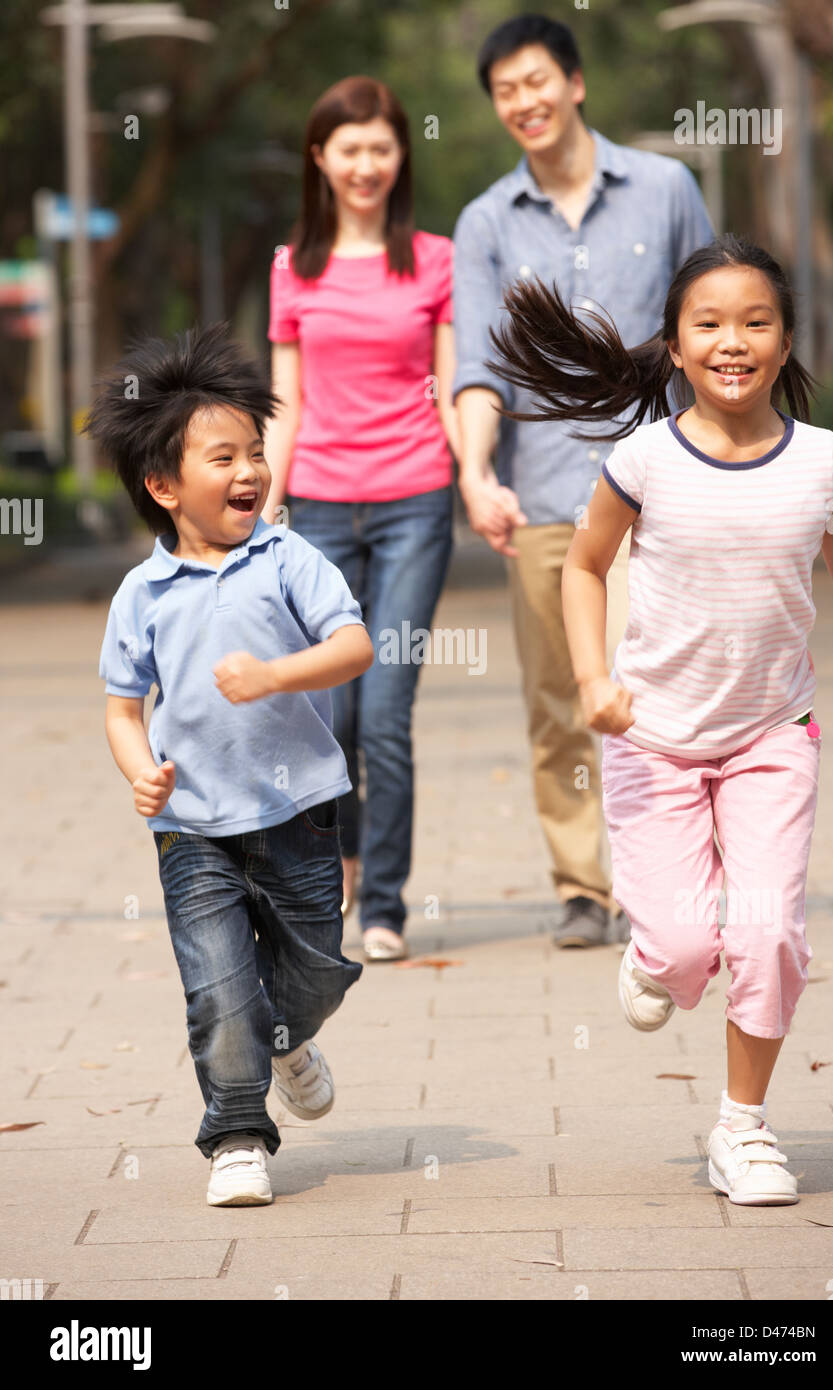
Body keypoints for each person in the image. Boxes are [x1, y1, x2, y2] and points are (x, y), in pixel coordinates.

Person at [491, 233, 833, 1204]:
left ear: (786, 342)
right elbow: (580, 566)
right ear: (672, 343)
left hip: (771, 738)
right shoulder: (641, 460)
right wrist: (589, 680)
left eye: (754, 322)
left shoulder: (828, 466)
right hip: (650, 740)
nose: (730, 340)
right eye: (707, 323)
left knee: (769, 930)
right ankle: (655, 955)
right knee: (687, 948)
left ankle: (741, 1128)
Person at [90, 324, 374, 1207]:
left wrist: (276, 675)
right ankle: (238, 1133)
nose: (250, 470)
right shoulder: (142, 593)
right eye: (225, 457)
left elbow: (356, 645)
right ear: (165, 485)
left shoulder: (286, 558)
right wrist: (140, 771)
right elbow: (121, 707)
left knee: (320, 968)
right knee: (217, 989)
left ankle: (288, 1037)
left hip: (300, 816)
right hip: (193, 832)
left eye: (257, 450)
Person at [452, 13, 714, 948]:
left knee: (675, 688)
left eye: (536, 82)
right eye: (505, 92)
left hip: (667, 493)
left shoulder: (666, 187)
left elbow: (710, 321)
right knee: (562, 697)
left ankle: (674, 874)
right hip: (550, 498)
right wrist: (478, 471)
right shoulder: (485, 221)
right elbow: (480, 367)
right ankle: (581, 887)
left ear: (575, 84)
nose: (523, 102)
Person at [264, 75, 459, 963]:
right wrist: (263, 499)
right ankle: (338, 865)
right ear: (321, 159)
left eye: (382, 146)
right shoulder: (291, 268)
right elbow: (286, 400)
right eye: (349, 148)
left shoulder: (434, 260)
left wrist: (478, 475)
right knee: (330, 715)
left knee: (385, 711)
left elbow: (450, 387)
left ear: (399, 155)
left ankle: (383, 904)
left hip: (416, 498)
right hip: (320, 512)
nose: (366, 163)